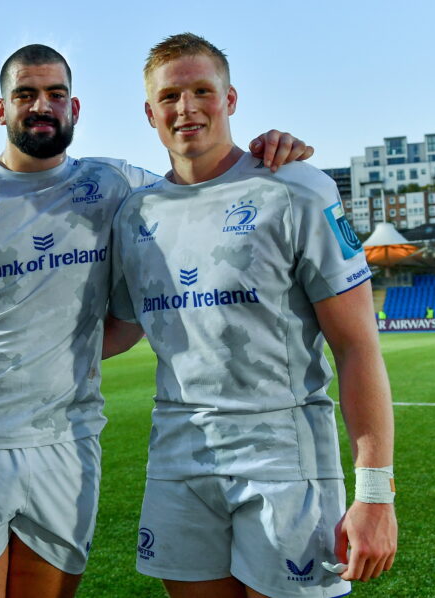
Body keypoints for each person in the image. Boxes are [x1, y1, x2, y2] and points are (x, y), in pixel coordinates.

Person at [0, 43, 315, 598]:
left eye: (55, 94)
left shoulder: (114, 186)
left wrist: (267, 150)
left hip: (68, 444)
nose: (41, 106)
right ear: (1, 110)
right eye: (24, 94)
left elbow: (200, 178)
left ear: (74, 109)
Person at [106, 33, 397, 598]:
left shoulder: (296, 188)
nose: (186, 108)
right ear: (149, 113)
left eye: (201, 91)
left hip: (284, 458)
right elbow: (122, 325)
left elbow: (358, 346)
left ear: (231, 99)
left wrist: (376, 495)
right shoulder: (136, 212)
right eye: (169, 97)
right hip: (177, 456)